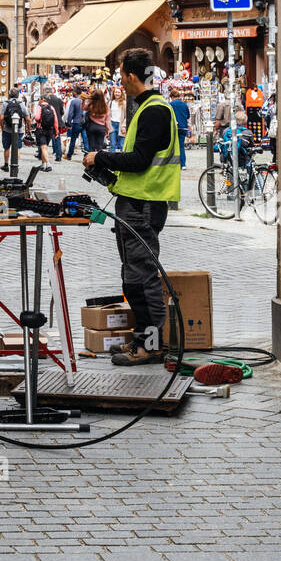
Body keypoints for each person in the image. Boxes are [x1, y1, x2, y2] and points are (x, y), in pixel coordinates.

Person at [84, 49, 180, 367]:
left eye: (121, 74)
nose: (120, 81)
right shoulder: (145, 109)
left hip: (145, 206)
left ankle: (151, 345)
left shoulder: (154, 110)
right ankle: (141, 340)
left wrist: (101, 157)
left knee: (144, 277)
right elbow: (137, 164)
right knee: (132, 277)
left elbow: (139, 161)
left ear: (131, 76)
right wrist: (107, 174)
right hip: (135, 203)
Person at [0, 87, 24, 173]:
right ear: (18, 95)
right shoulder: (21, 103)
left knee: (6, 148)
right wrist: (28, 128)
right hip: (19, 130)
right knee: (17, 148)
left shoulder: (5, 103)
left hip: (7, 129)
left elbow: (2, 118)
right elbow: (28, 118)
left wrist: (2, 127)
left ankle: (6, 165)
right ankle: (16, 165)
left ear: (9, 94)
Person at [34, 96, 58, 171]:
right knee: (45, 147)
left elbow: (37, 117)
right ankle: (43, 164)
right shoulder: (51, 107)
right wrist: (56, 131)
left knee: (43, 147)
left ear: (42, 99)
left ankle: (48, 164)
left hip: (41, 129)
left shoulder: (39, 107)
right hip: (50, 130)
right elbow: (55, 120)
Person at [169, 92, 191, 169]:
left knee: (172, 146)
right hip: (183, 127)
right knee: (181, 146)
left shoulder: (170, 104)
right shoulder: (184, 104)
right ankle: (183, 164)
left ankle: (174, 163)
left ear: (172, 96)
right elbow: (188, 116)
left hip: (174, 127)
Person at [64, 85, 86, 159]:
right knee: (85, 140)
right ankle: (86, 156)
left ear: (75, 92)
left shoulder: (74, 101)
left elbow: (70, 114)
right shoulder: (85, 101)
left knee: (73, 140)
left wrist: (69, 123)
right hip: (85, 123)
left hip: (76, 122)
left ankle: (69, 155)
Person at [46, 87, 65, 162]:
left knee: (44, 138)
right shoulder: (59, 100)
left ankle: (41, 154)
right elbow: (62, 112)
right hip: (57, 122)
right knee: (57, 138)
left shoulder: (46, 100)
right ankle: (58, 155)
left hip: (48, 121)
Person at [109, 86, 126, 151]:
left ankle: (122, 160)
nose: (117, 94)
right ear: (113, 93)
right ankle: (110, 160)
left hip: (121, 125)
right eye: (116, 92)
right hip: (112, 125)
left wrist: (124, 126)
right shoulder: (110, 102)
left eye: (118, 92)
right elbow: (108, 115)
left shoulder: (124, 103)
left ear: (121, 93)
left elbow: (126, 116)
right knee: (112, 145)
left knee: (122, 145)